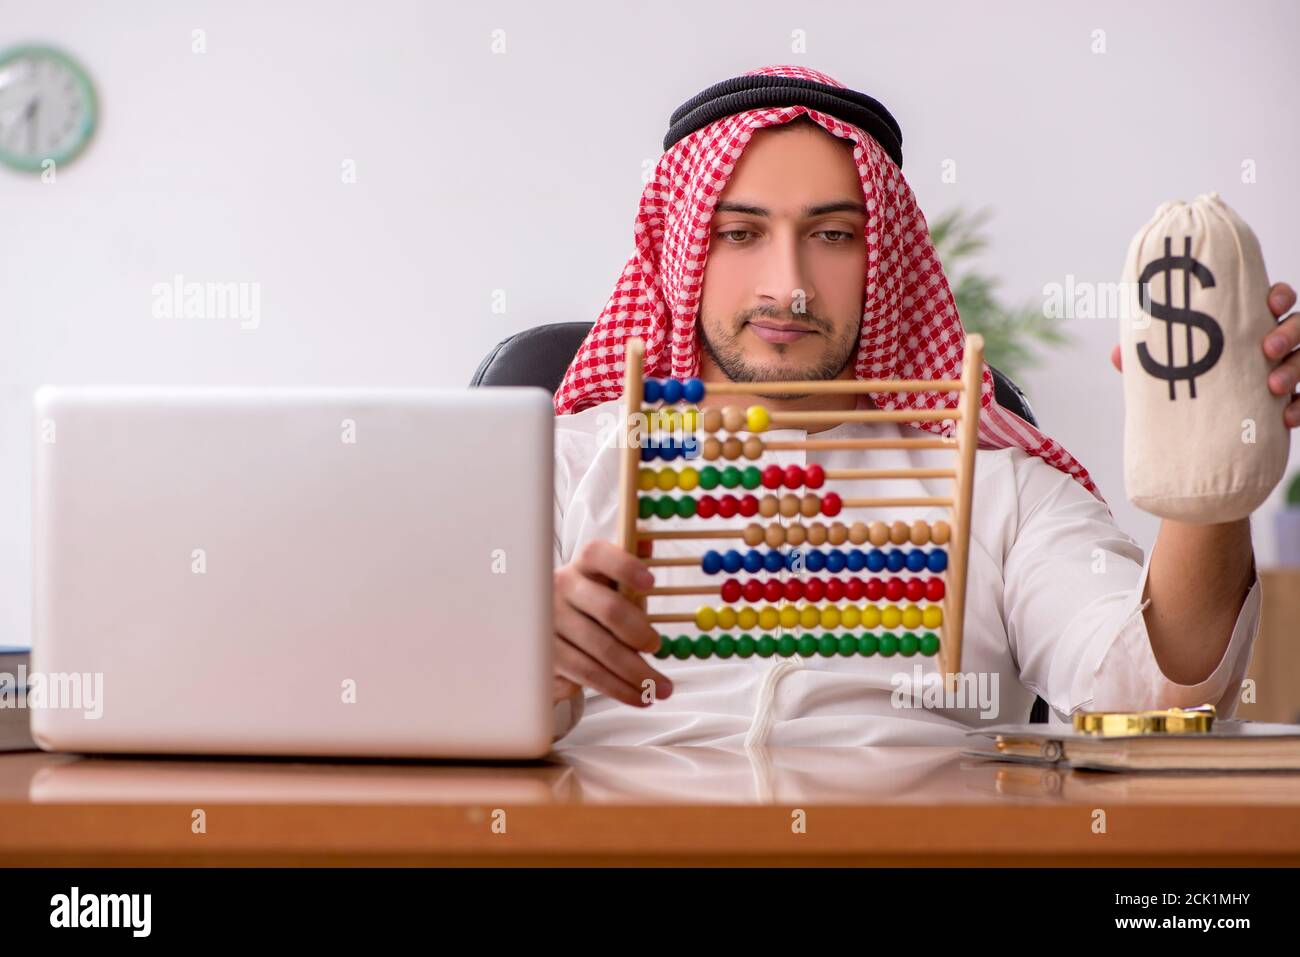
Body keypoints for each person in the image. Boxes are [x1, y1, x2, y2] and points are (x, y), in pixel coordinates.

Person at [547, 65, 1299, 747]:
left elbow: (1154, 696)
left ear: (882, 259)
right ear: (682, 255)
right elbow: (438, 702)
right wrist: (514, 657)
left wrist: (1210, 445)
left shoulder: (1000, 488)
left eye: (833, 234)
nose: (790, 284)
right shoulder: (553, 472)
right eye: (740, 233)